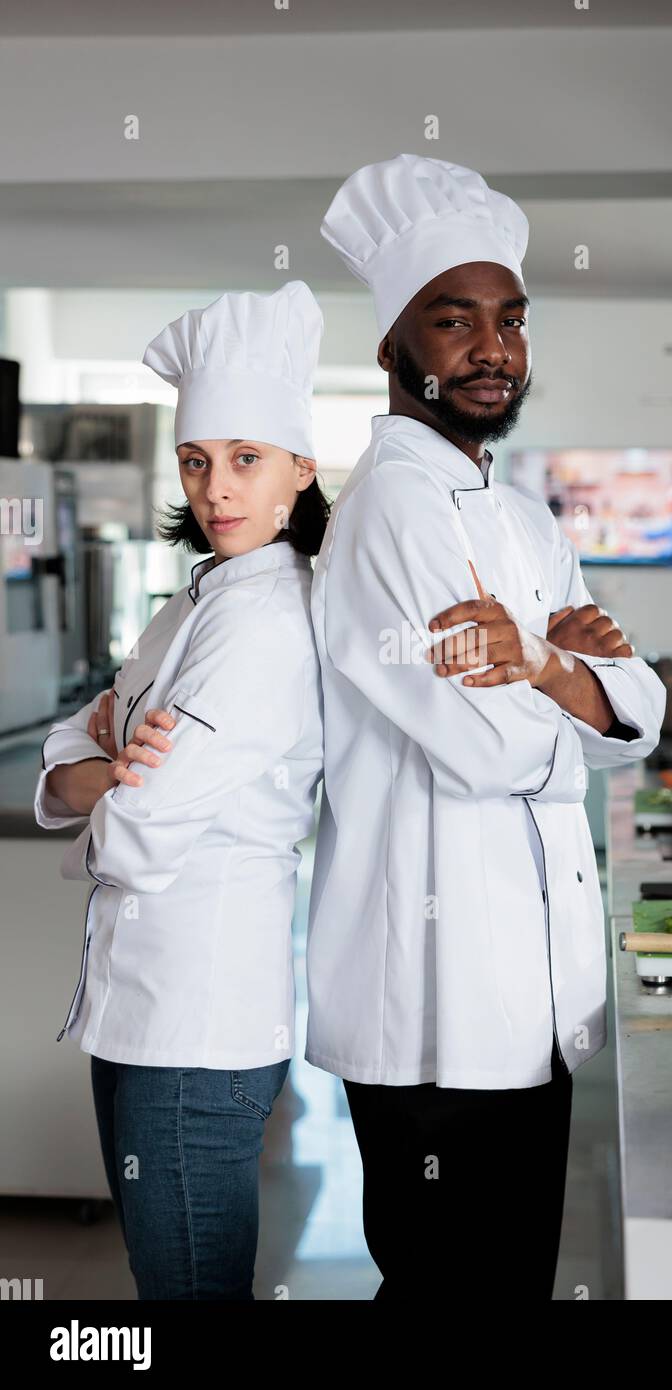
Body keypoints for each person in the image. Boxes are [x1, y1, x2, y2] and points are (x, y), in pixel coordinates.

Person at [308, 153, 667, 1300]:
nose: (491, 348)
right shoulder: (389, 510)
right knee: (448, 1283)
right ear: (393, 347)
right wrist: (569, 686)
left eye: (510, 320)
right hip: (432, 999)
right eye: (453, 321)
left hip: (526, 993)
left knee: (505, 1279)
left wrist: (549, 670)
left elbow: (635, 713)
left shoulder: (518, 514)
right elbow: (491, 750)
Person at [33, 281, 326, 1300]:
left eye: (246, 460)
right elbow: (79, 751)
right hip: (132, 1009)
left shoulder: (267, 620)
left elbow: (138, 830)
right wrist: (108, 773)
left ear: (301, 467)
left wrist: (102, 790)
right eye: (197, 462)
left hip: (195, 1025)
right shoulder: (191, 601)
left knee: (190, 1290)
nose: (217, 489)